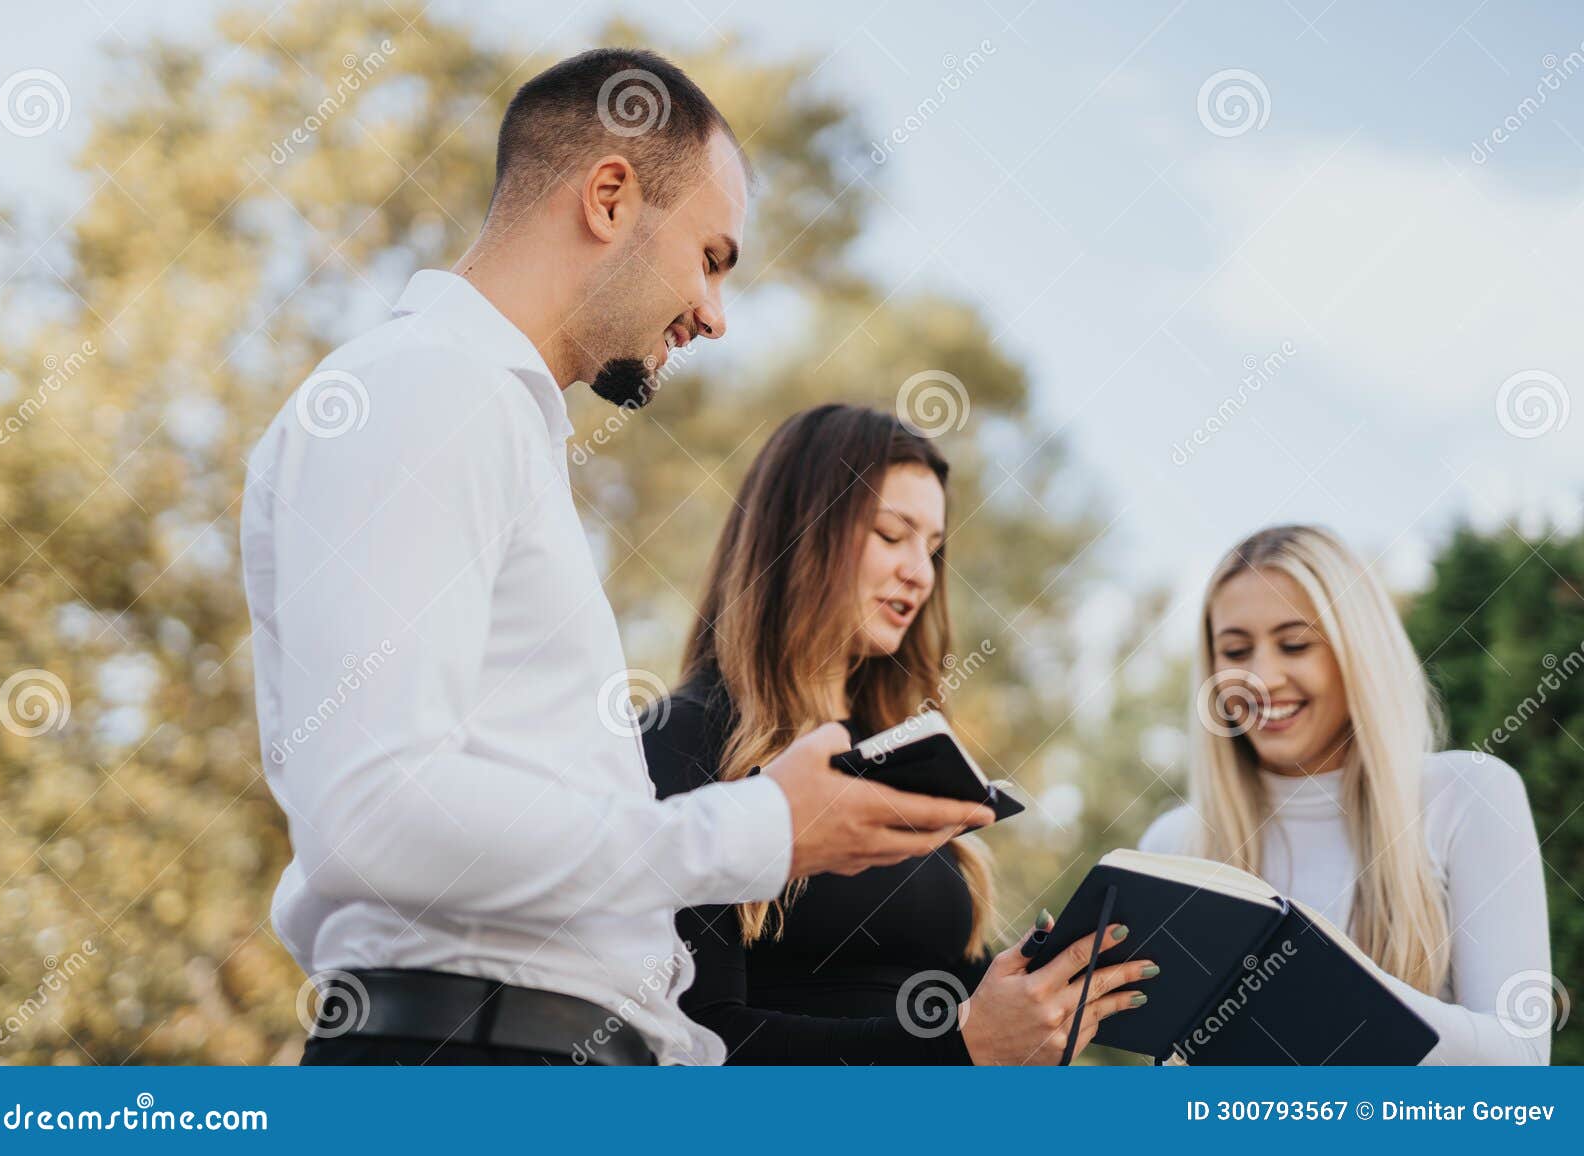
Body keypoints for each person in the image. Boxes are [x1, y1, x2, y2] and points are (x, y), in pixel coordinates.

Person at [241, 49, 995, 1067]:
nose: (716, 314)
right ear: (608, 197)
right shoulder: (425, 387)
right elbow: (376, 816)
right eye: (712, 258)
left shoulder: (496, 424)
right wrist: (761, 828)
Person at [643, 405, 1157, 1063]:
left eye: (935, 549)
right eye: (893, 534)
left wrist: (1032, 997)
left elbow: (936, 1004)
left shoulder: (901, 755)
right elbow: (699, 1038)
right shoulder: (681, 740)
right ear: (801, 534)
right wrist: (961, 1048)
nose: (921, 572)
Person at [1141, 524, 1552, 1064]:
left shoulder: (1470, 795)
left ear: (1357, 651)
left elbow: (1519, 1063)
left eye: (1295, 644)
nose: (1260, 678)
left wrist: (1317, 973)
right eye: (1236, 650)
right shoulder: (1173, 846)